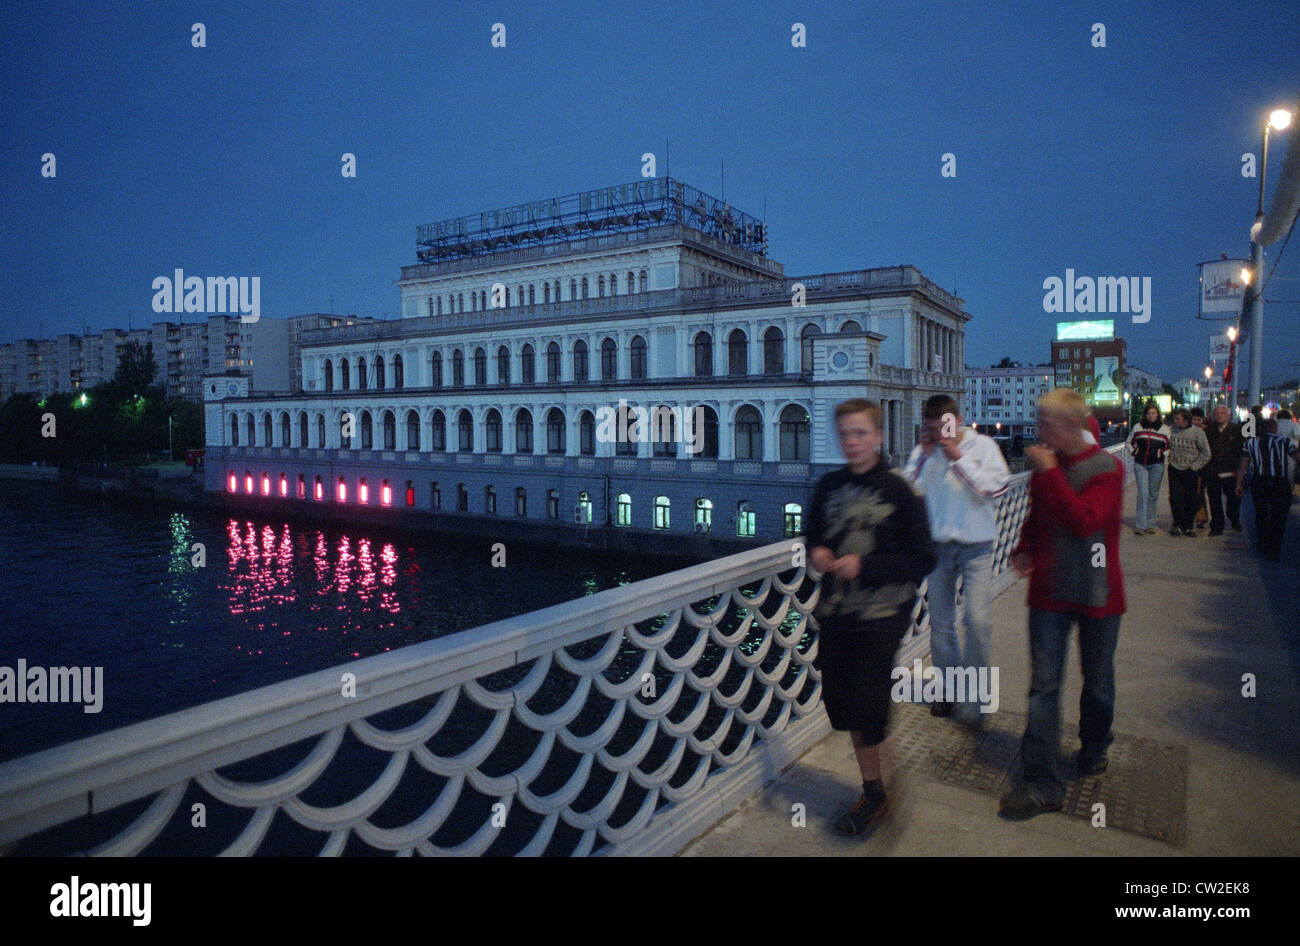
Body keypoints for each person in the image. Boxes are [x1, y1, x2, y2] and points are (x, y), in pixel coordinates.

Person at [807, 399, 937, 836]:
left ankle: (875, 792)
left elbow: (923, 557)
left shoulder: (899, 492)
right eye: (844, 433)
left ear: (879, 437)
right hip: (837, 612)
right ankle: (878, 778)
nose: (852, 442)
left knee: (867, 704)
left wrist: (864, 566)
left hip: (883, 614)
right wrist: (819, 553)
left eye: (861, 433)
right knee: (841, 704)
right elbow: (812, 535)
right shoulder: (827, 486)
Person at [1000, 388, 1126, 820]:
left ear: (1071, 425)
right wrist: (1025, 546)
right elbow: (1041, 514)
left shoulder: (1107, 468)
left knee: (1098, 684)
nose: (1038, 431)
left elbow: (1085, 523)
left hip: (1098, 592)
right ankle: (1041, 782)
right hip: (1050, 591)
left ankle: (1094, 747)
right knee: (1043, 689)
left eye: (1045, 423)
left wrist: (1050, 472)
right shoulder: (1046, 467)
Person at [903, 395, 1010, 727]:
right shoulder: (925, 452)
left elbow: (996, 489)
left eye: (945, 425)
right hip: (938, 547)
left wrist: (956, 457)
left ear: (959, 419)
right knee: (942, 625)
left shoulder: (983, 447)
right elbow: (908, 491)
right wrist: (925, 454)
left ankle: (974, 698)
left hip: (977, 545)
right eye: (933, 427)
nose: (940, 433)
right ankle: (949, 691)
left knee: (977, 622)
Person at [1236, 417, 1299, 562]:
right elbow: (1297, 458)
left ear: (1259, 429)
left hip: (1260, 481)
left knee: (1261, 513)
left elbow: (1243, 465)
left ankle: (1263, 542)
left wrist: (1239, 484)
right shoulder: (1285, 441)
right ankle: (1274, 548)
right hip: (1279, 482)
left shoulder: (1250, 443)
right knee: (1279, 516)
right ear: (1275, 429)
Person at [1125, 402, 1171, 536]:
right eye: (1149, 413)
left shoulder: (1164, 429)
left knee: (1153, 494)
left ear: (1157, 414)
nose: (1151, 416)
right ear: (1145, 415)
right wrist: (1134, 452)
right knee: (1142, 494)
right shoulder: (1138, 427)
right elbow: (1129, 442)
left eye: (1153, 413)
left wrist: (1161, 454)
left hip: (1157, 464)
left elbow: (1168, 446)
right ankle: (1140, 525)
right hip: (1140, 464)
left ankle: (1150, 524)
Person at [1166, 407, 1211, 537]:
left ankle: (1188, 526)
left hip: (1191, 470)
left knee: (1192, 498)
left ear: (1186, 420)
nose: (1175, 421)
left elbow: (1206, 453)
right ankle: (1178, 523)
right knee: (1175, 498)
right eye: (1174, 418)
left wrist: (1195, 466)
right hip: (1175, 468)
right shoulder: (1172, 431)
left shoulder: (1198, 433)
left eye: (1178, 418)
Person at [1202, 405, 1244, 534]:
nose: (1219, 415)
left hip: (1230, 471)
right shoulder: (1208, 430)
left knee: (1233, 498)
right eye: (1217, 413)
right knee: (1214, 500)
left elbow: (1241, 452)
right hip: (1212, 470)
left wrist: (1240, 470)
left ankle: (1234, 518)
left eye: (1222, 413)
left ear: (1228, 415)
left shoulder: (1237, 430)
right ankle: (1217, 526)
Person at [1189, 408, 1209, 528]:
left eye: (1198, 419)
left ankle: (1201, 517)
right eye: (1194, 419)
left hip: (1203, 467)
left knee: (1199, 492)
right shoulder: (1186, 430)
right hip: (1188, 466)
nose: (1196, 421)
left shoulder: (1207, 431)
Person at [1276, 409, 1300, 486]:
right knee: (1290, 472)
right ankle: (1289, 489)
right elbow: (1297, 436)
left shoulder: (1276, 424)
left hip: (1276, 451)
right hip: (1291, 452)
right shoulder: (1294, 424)